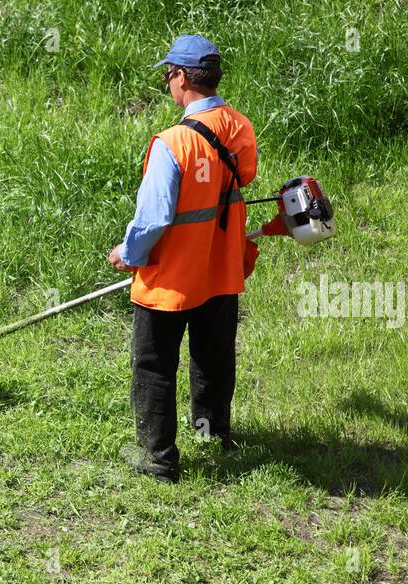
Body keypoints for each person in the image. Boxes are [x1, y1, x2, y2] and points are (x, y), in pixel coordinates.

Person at [108, 35, 258, 483]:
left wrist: (128, 253)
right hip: (220, 270)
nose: (167, 82)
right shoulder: (240, 127)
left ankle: (158, 458)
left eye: (167, 74)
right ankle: (212, 434)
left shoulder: (172, 143)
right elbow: (242, 177)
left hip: (171, 280)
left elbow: (153, 219)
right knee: (213, 357)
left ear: (181, 78)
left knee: (153, 364)